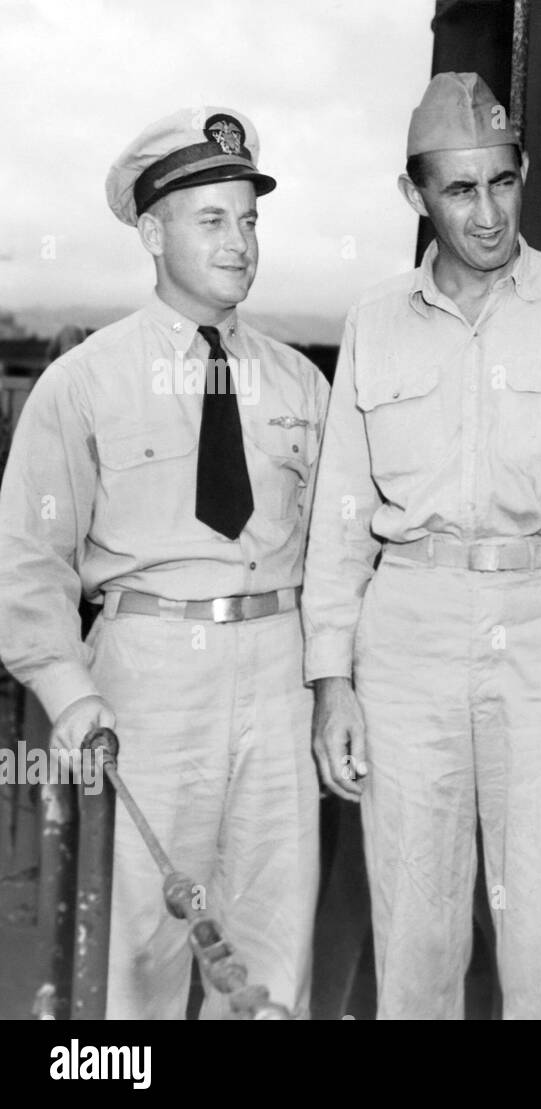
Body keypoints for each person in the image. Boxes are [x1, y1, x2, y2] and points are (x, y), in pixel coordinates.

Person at [302, 72, 541, 1020]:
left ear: (523, 170)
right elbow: (342, 518)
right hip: (408, 629)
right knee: (415, 934)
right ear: (414, 194)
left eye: (502, 181)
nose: (487, 211)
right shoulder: (373, 323)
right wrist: (330, 678)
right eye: (459, 190)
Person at [0, 107, 327, 1018]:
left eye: (250, 218)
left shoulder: (302, 383)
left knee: (268, 945)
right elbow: (25, 564)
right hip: (144, 681)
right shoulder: (85, 381)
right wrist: (70, 694)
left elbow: (337, 556)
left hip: (277, 670)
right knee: (132, 953)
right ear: (151, 232)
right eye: (212, 219)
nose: (239, 241)